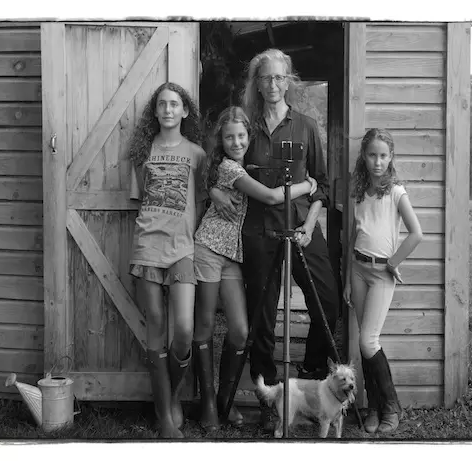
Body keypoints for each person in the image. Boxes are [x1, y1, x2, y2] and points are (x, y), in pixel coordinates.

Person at [209, 49, 340, 432]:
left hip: (302, 229)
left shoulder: (306, 126)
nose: (272, 85)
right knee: (261, 320)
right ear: (256, 83)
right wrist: (215, 190)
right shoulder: (244, 127)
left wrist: (312, 223)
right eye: (265, 78)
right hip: (258, 232)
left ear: (289, 81)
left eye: (279, 78)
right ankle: (270, 400)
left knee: (328, 305)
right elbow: (217, 161)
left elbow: (322, 186)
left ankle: (311, 376)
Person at [192, 106, 317, 432]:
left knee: (240, 331)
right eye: (229, 136)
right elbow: (275, 197)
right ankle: (208, 406)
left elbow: (210, 181)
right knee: (204, 325)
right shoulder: (232, 168)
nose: (236, 141)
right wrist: (309, 185)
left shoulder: (240, 166)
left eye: (241, 135)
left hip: (232, 254)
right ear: (221, 139)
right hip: (208, 248)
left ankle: (224, 402)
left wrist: (213, 191)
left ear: (250, 137)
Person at [127, 82, 207, 439]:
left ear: (185, 111)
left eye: (175, 104)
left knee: (184, 331)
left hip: (183, 249)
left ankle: (173, 396)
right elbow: (138, 201)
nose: (169, 110)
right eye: (162, 104)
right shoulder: (143, 150)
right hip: (147, 248)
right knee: (155, 329)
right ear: (155, 112)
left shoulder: (197, 154)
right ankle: (164, 417)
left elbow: (202, 202)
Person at [343, 128, 423, 434]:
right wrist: (350, 280)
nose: (378, 162)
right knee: (365, 342)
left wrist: (393, 262)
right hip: (359, 270)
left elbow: (417, 233)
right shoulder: (359, 191)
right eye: (372, 155)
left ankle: (391, 406)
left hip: (381, 275)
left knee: (367, 341)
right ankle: (373, 408)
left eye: (383, 156)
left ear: (391, 158)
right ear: (364, 157)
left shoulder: (396, 192)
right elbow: (354, 237)